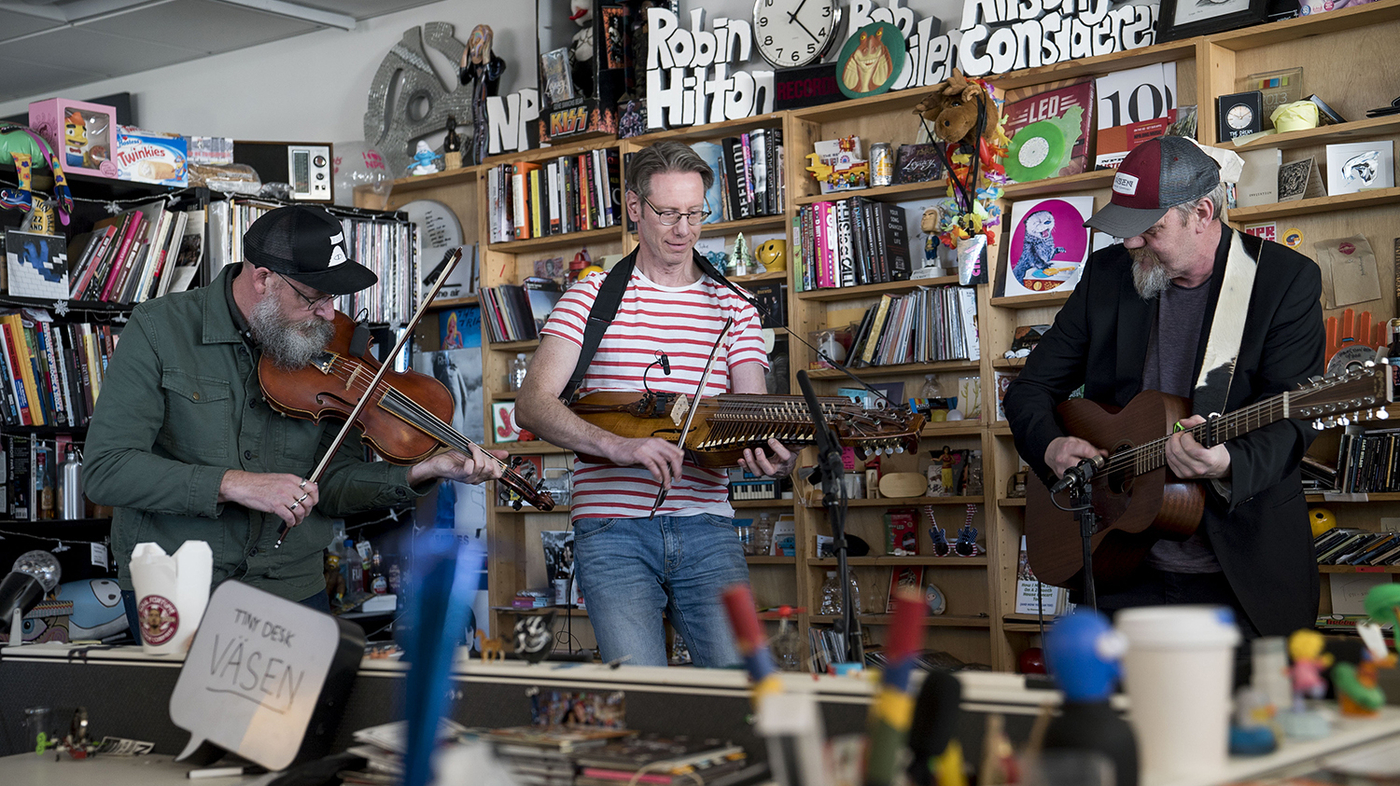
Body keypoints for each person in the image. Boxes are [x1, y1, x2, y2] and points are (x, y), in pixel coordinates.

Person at [84, 205, 504, 633]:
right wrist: (236, 484)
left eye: (332, 298)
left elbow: (334, 484)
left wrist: (422, 470)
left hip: (292, 587)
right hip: (178, 585)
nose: (328, 314)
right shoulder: (159, 330)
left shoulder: (328, 345)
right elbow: (107, 470)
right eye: (312, 297)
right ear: (264, 279)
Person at [1003, 136, 1325, 638]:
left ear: (1201, 212)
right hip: (1117, 567)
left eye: (1148, 231)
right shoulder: (1110, 275)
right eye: (1125, 230)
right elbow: (1030, 389)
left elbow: (1292, 416)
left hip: (1241, 577)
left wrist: (1227, 462)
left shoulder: (1283, 281)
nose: (1130, 244)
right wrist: (1051, 446)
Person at [515, 140, 798, 667]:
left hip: (708, 524)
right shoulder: (592, 295)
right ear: (634, 208)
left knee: (744, 693)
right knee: (642, 698)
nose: (684, 230)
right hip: (611, 531)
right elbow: (531, 405)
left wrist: (774, 455)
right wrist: (618, 447)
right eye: (668, 213)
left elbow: (752, 419)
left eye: (695, 213)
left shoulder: (735, 306)